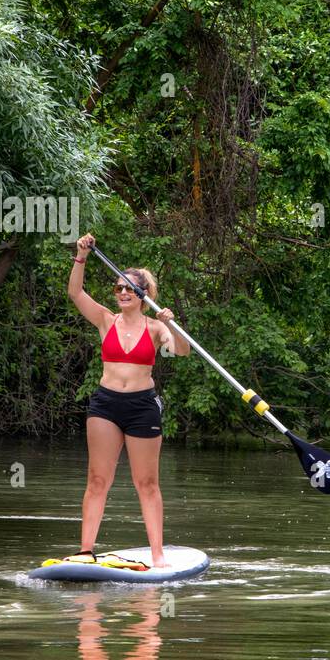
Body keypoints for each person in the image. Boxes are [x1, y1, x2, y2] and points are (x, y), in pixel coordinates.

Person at [67, 234, 190, 567]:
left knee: (147, 483)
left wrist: (172, 325)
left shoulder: (155, 327)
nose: (121, 293)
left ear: (143, 295)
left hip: (141, 408)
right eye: (117, 288)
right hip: (105, 405)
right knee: (97, 479)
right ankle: (85, 551)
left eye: (127, 289)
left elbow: (180, 350)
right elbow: (75, 293)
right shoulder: (106, 320)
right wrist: (81, 256)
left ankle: (158, 555)